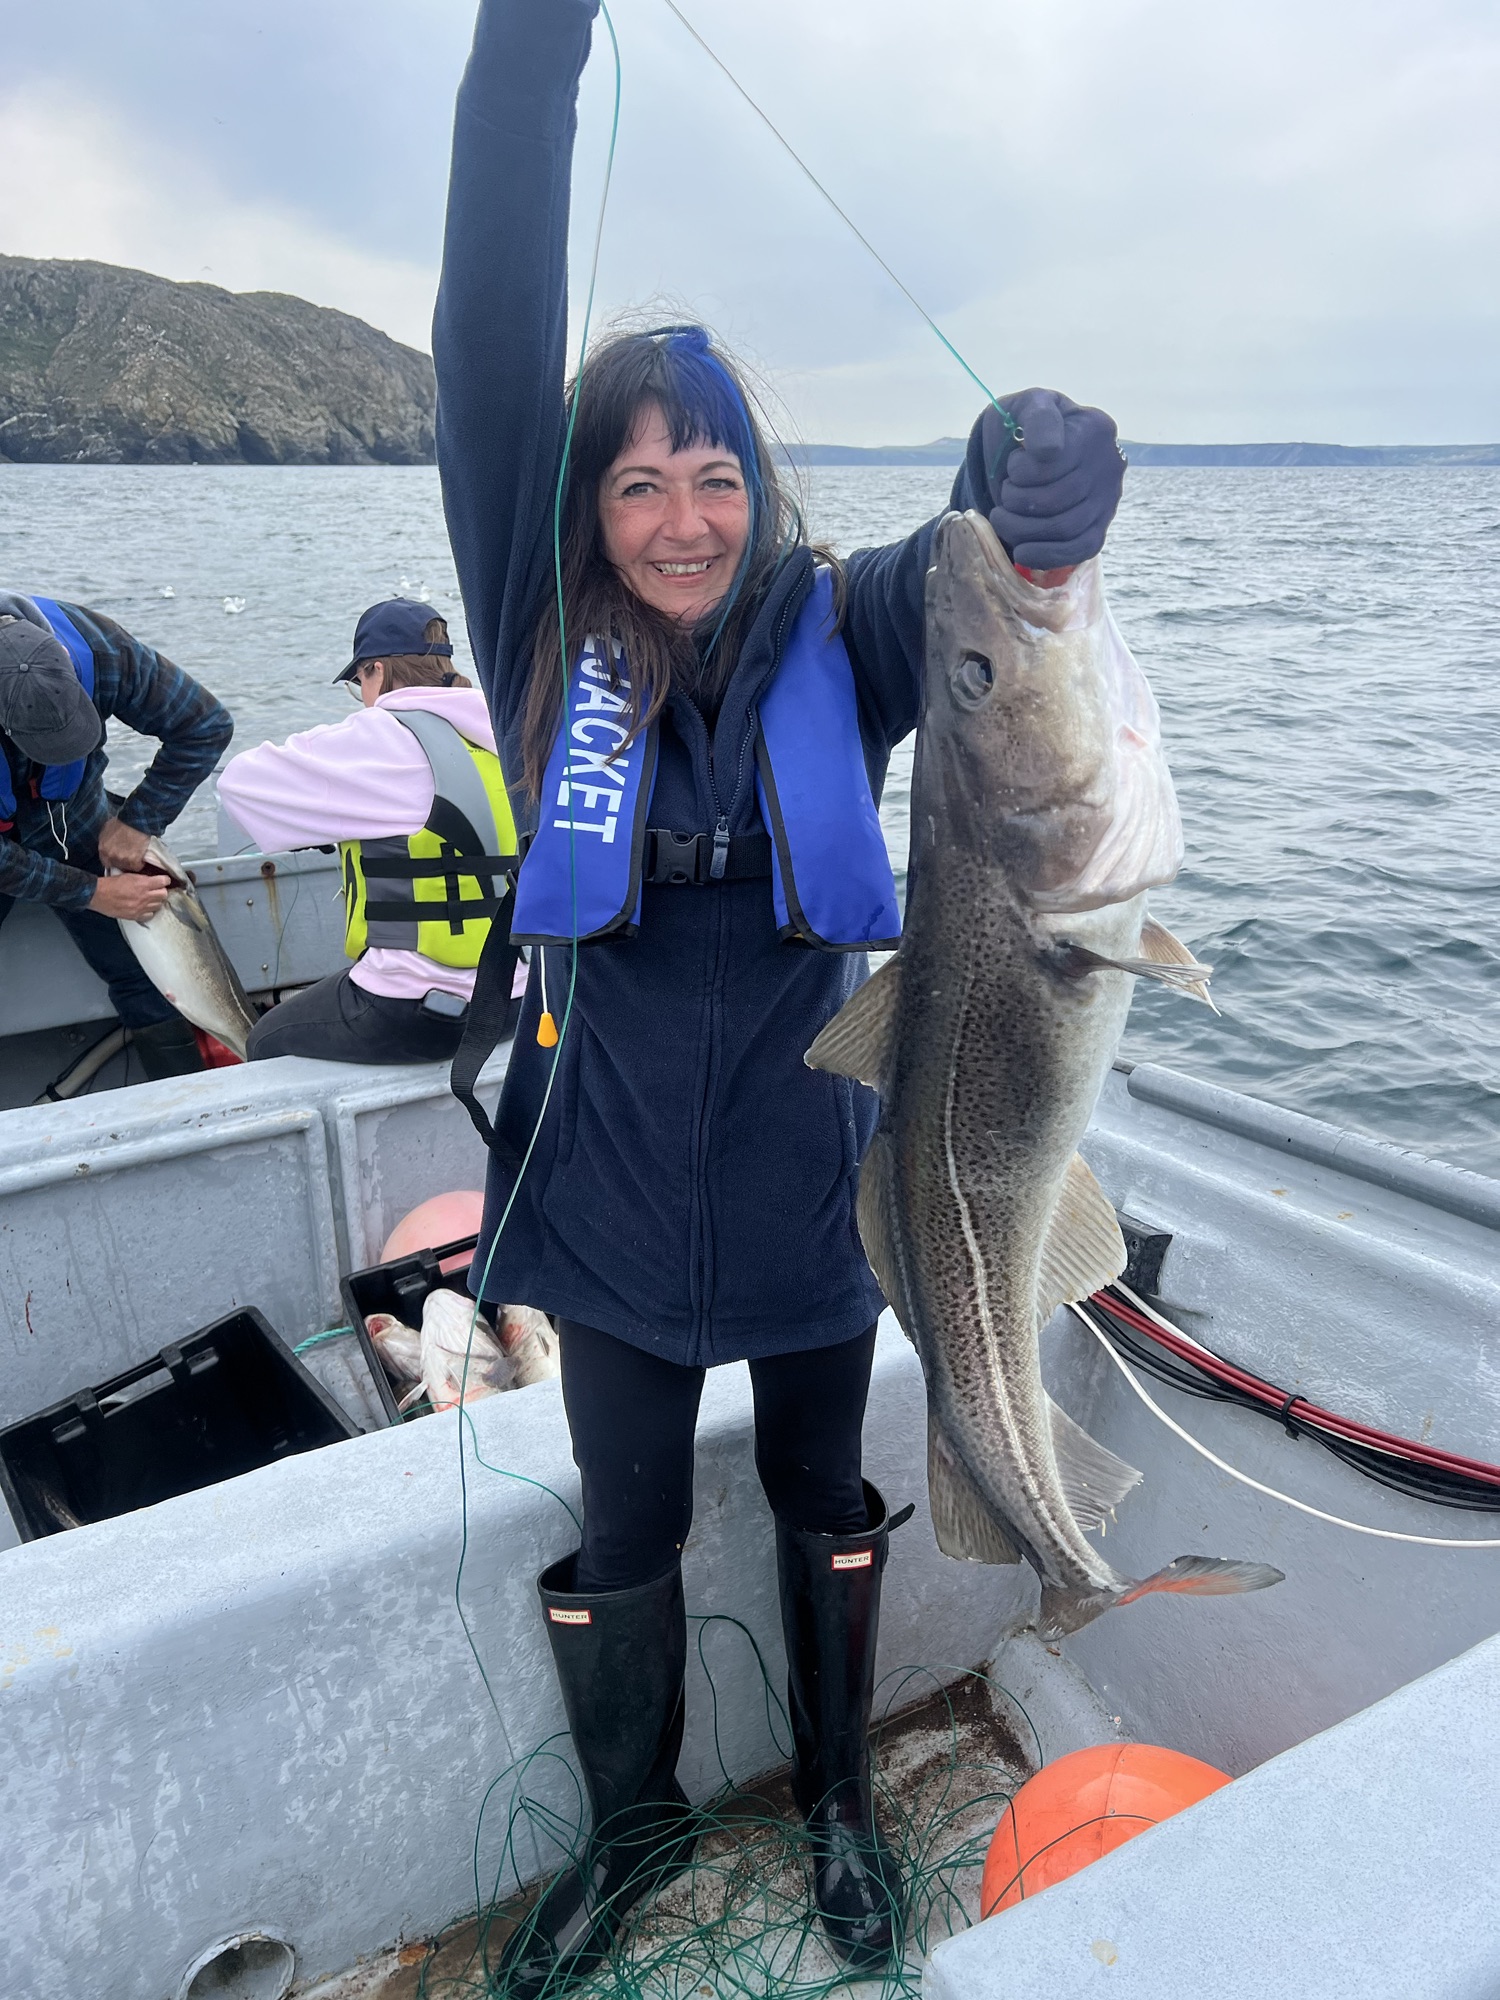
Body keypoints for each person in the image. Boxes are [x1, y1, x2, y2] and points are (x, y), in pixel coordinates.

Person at [432, 2, 1128, 1989]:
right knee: (626, 1526)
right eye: (638, 480)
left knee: (832, 1491)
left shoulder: (852, 622)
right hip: (615, 1201)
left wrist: (1024, 472)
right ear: (587, 502)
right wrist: (526, 53)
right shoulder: (527, 616)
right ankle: (633, 1827)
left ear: (759, 481)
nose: (678, 513)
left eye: (713, 472)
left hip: (829, 1196)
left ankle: (835, 1799)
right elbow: (488, 333)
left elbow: (983, 564)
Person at [216, 598, 519, 1064]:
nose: (364, 695)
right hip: (517, 996)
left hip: (419, 1010)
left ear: (375, 669)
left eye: (359, 684)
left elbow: (239, 786)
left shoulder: (382, 737)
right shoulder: (505, 730)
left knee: (264, 1041)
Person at [0, 592, 233, 1079]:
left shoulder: (100, 650)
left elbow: (204, 724)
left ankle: (194, 1110)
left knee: (147, 973)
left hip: (78, 824)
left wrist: (139, 821)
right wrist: (91, 893)